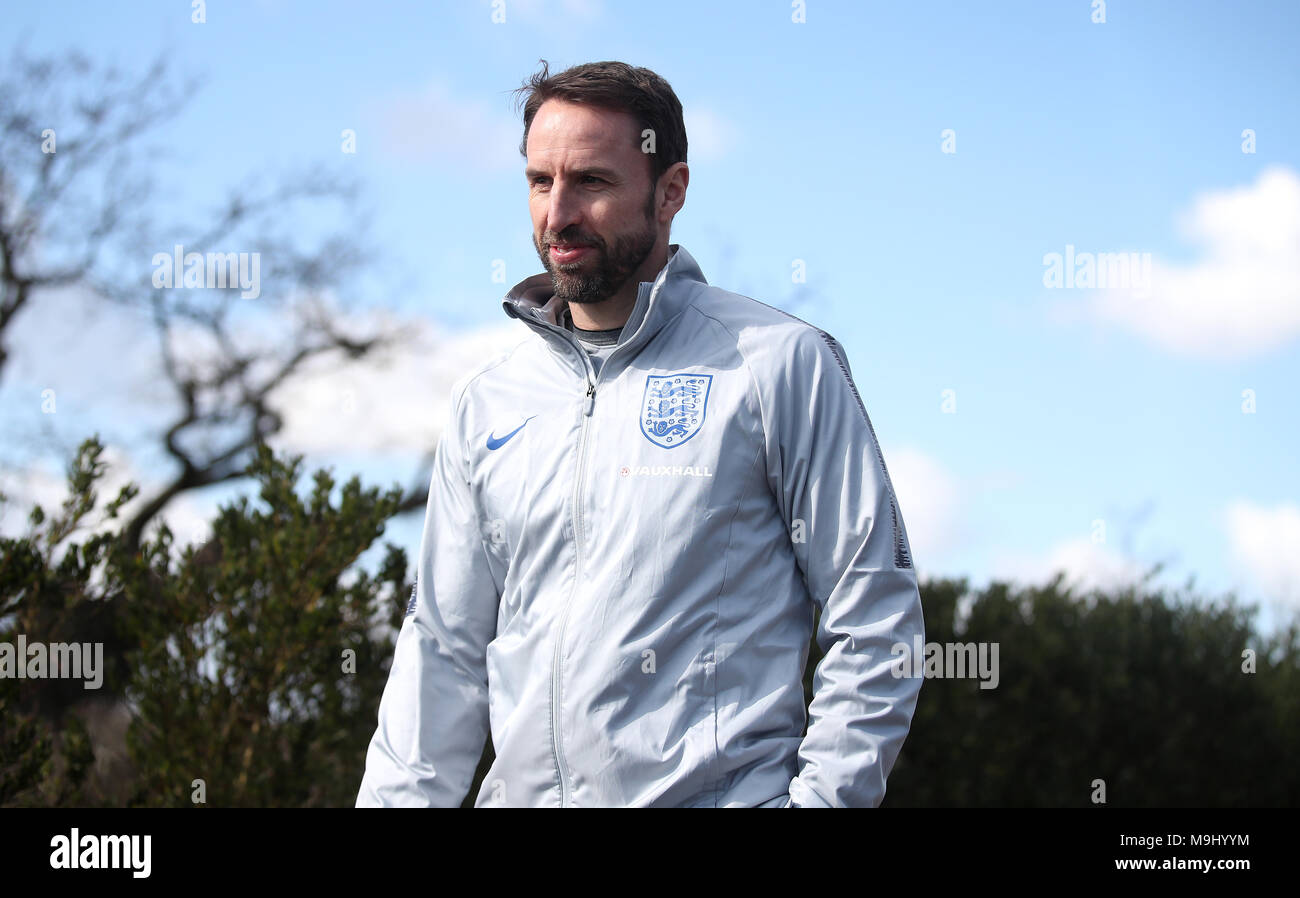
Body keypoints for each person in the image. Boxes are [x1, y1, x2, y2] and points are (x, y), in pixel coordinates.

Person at [356, 60, 924, 808]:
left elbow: (875, 613)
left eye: (590, 182)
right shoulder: (488, 401)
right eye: (538, 182)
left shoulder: (779, 365)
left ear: (671, 191)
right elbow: (443, 653)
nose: (557, 214)